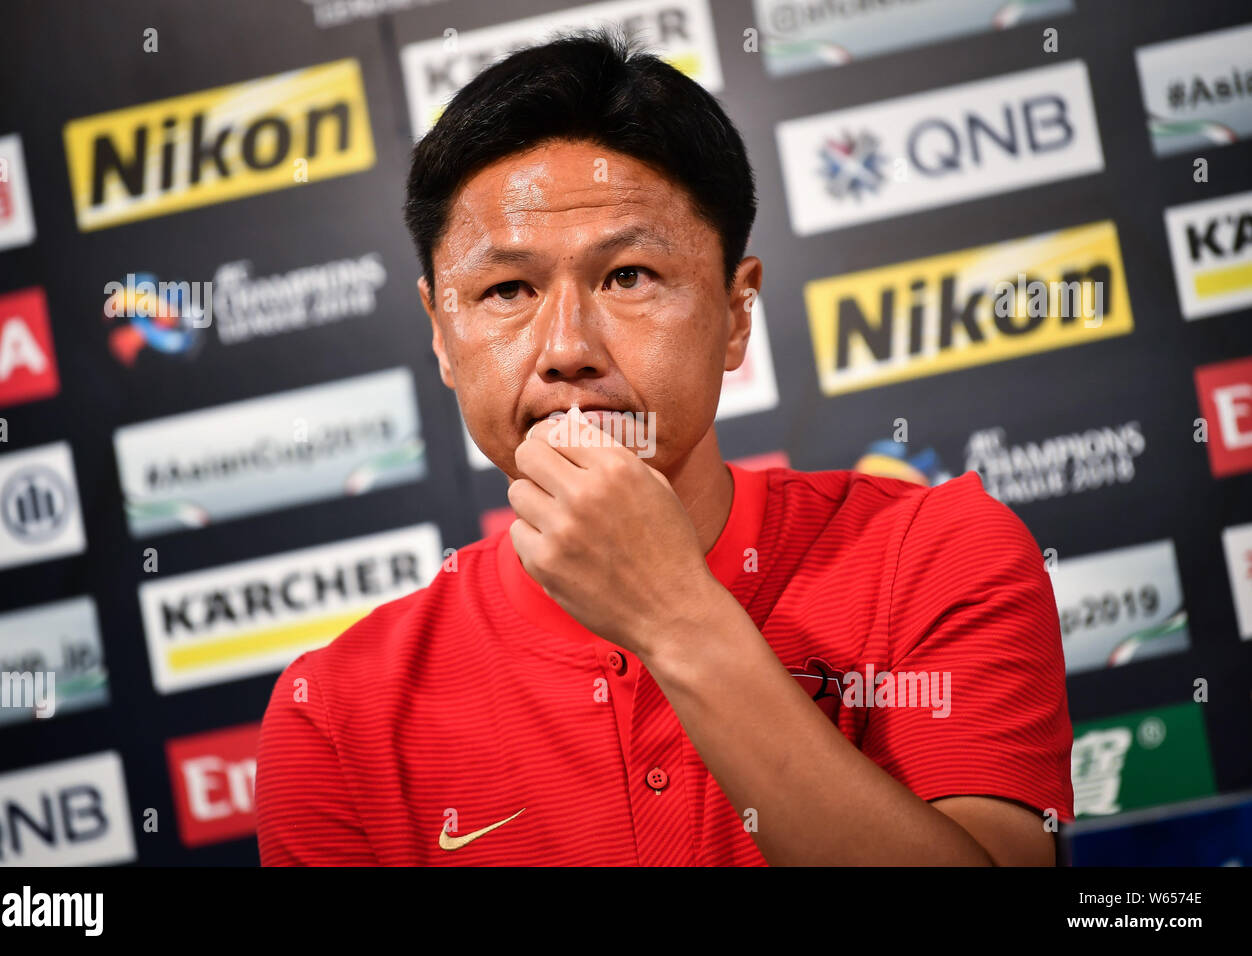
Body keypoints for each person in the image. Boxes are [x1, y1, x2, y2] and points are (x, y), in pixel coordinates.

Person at [254, 26, 1073, 866]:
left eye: (628, 277)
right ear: (440, 333)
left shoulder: (936, 553)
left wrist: (674, 618)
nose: (567, 345)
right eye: (507, 289)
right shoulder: (335, 717)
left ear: (736, 310)